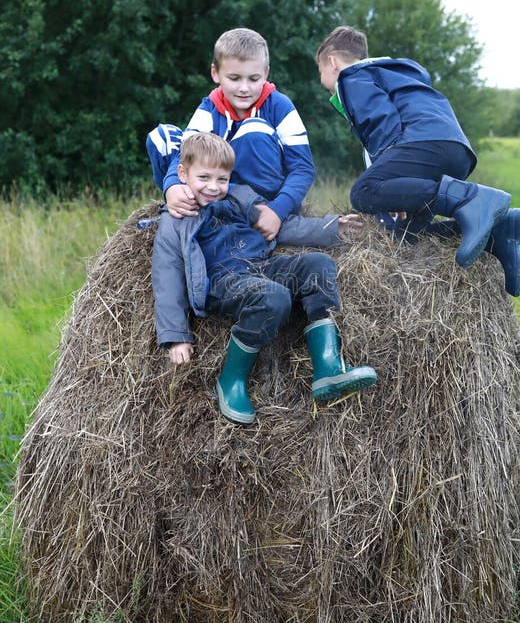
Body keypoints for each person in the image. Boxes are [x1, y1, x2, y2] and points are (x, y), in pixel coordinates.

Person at [151, 133, 377, 426]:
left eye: (222, 179)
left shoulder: (239, 198)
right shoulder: (177, 217)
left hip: (258, 267)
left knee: (318, 265)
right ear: (183, 173)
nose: (213, 186)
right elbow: (167, 274)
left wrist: (331, 228)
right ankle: (231, 380)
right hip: (222, 282)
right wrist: (176, 336)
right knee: (273, 297)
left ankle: (328, 366)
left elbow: (280, 227)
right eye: (203, 177)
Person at [315, 25, 520, 297]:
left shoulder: (351, 77)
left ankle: (471, 198)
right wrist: (399, 191)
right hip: (456, 152)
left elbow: (382, 123)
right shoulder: (395, 74)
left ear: (332, 62)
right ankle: (500, 233)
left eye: (321, 74)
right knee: (404, 237)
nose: (326, 87)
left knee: (363, 193)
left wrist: (390, 180)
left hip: (421, 144)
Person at [147, 27, 316, 241]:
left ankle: (258, 214)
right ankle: (186, 208)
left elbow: (303, 168)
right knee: (162, 137)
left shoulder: (281, 106)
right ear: (215, 73)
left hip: (267, 202)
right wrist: (172, 187)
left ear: (266, 73)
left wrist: (277, 210)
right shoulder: (209, 107)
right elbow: (184, 155)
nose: (244, 88)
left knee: (253, 130)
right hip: (219, 190)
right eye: (234, 78)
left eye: (254, 79)